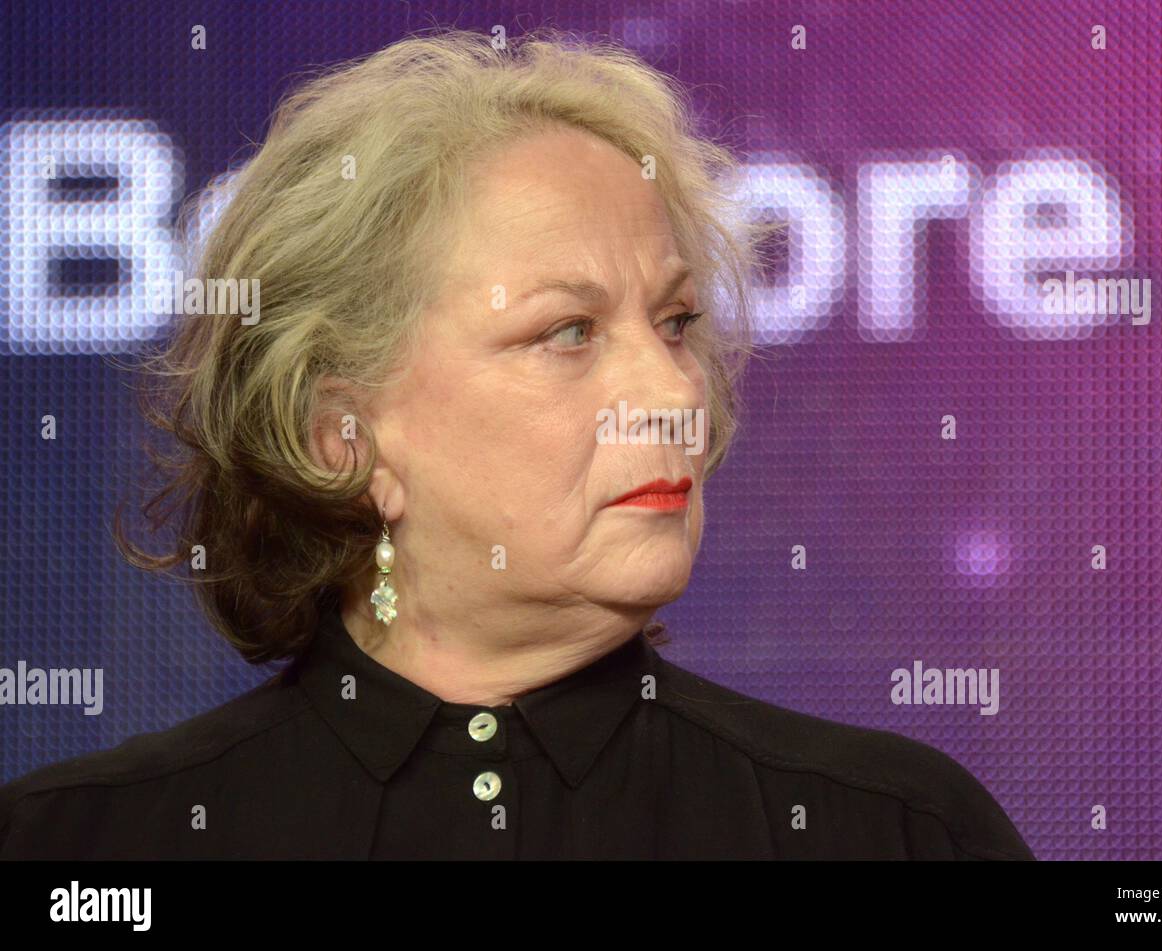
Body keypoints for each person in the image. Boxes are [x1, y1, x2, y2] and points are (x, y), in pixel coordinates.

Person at [0, 28, 1033, 860]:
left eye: (675, 323)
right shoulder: (76, 847)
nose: (672, 391)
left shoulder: (894, 832)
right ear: (342, 438)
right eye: (567, 332)